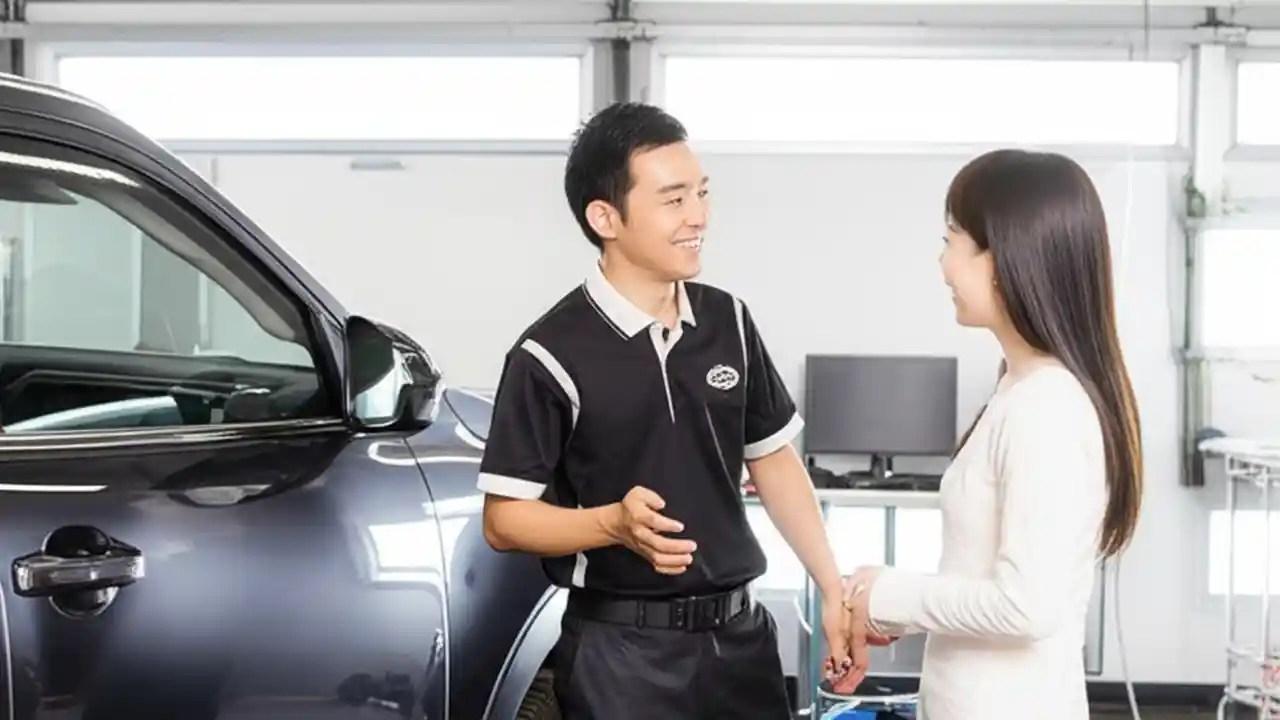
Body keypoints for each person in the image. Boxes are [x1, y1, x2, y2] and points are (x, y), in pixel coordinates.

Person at [477, 102, 863, 719]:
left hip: (742, 644)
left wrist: (832, 587)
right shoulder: (547, 354)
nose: (699, 217)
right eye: (674, 199)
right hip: (622, 657)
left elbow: (774, 462)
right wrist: (611, 525)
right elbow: (505, 520)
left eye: (702, 194)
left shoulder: (728, 320)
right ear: (606, 217)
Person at [836, 149, 1144, 720]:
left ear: (1004, 257)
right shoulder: (1017, 389)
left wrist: (889, 593)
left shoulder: (1046, 405)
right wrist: (893, 608)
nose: (942, 262)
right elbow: (983, 580)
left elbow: (1027, 607)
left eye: (952, 239)